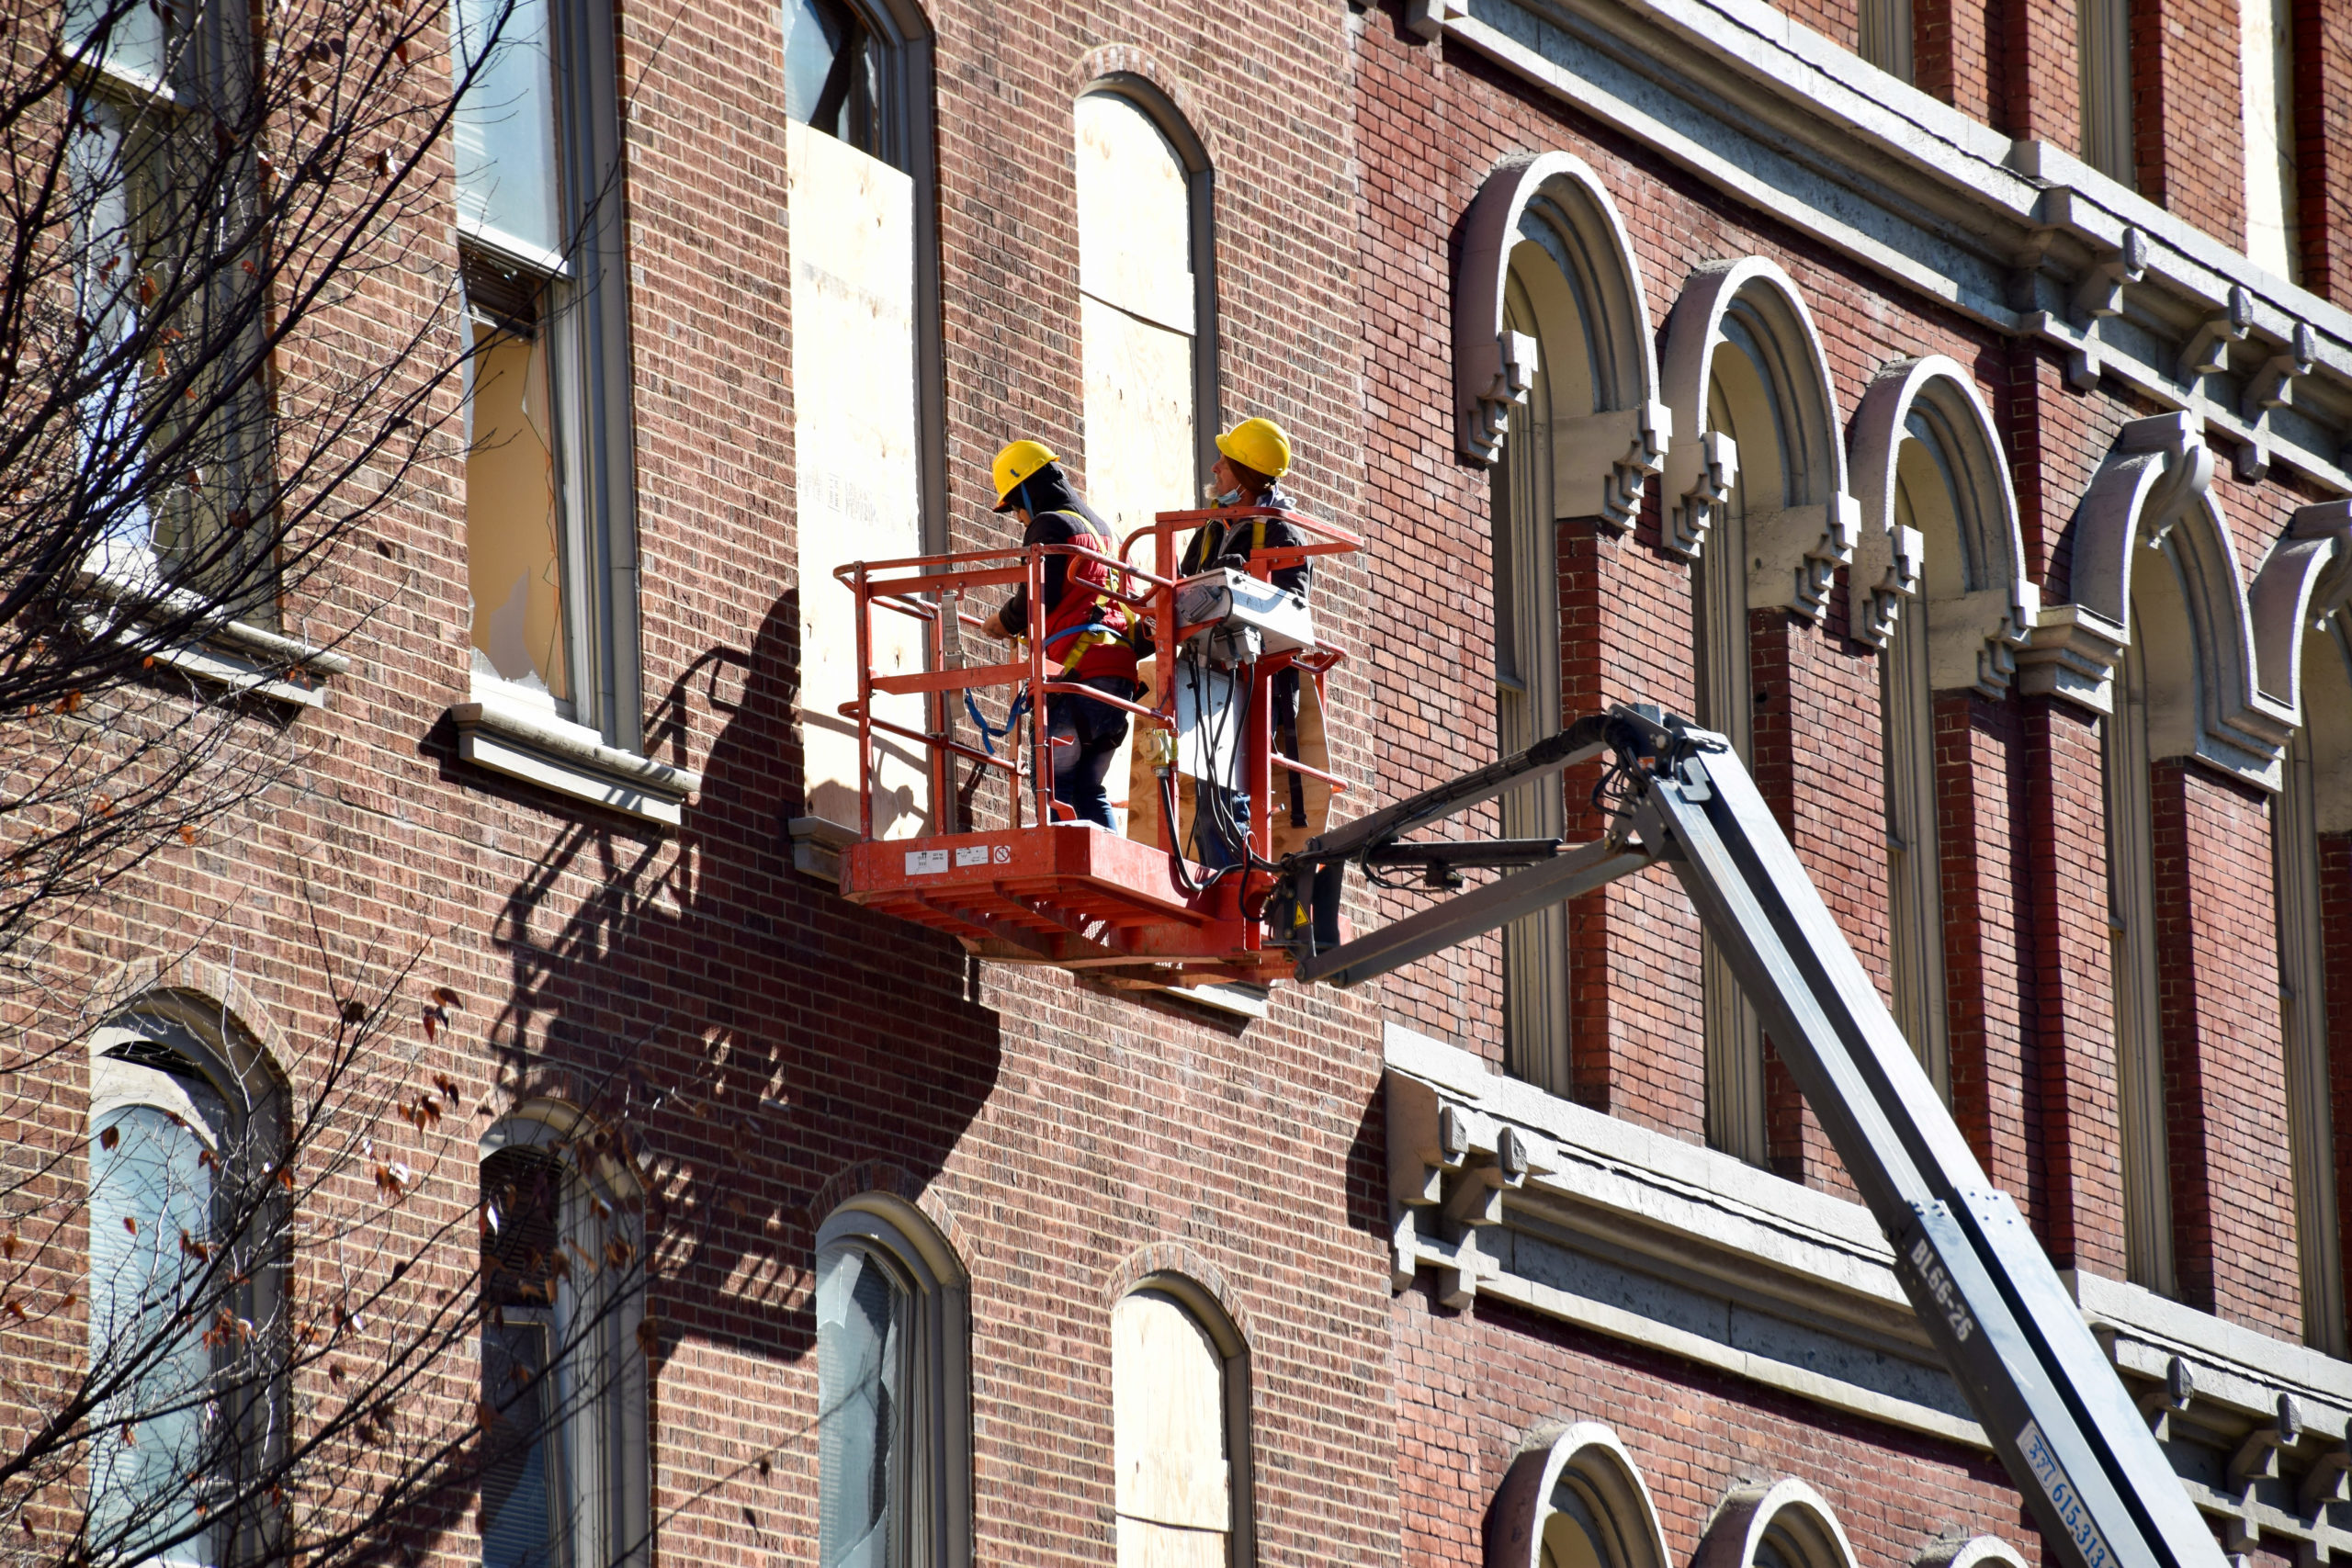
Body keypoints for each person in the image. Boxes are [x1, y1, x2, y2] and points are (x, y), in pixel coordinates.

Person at [980, 439, 1138, 830]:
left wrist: (1002, 623)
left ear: (1028, 491)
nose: (1018, 516)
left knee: (1053, 785)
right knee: (1090, 788)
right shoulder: (1108, 533)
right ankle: (1107, 870)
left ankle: (1064, 869)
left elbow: (1037, 596)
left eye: (1015, 505)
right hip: (1119, 680)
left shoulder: (1049, 524)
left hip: (1075, 675)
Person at [1179, 417, 1314, 869]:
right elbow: (1181, 588)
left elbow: (1291, 610)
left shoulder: (1280, 533)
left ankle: (1236, 881)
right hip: (1208, 676)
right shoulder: (1211, 529)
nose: (1214, 468)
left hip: (1257, 683)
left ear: (1248, 476)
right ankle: (1228, 877)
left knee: (1225, 797)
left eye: (1226, 462)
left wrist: (1244, 586)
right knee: (1209, 800)